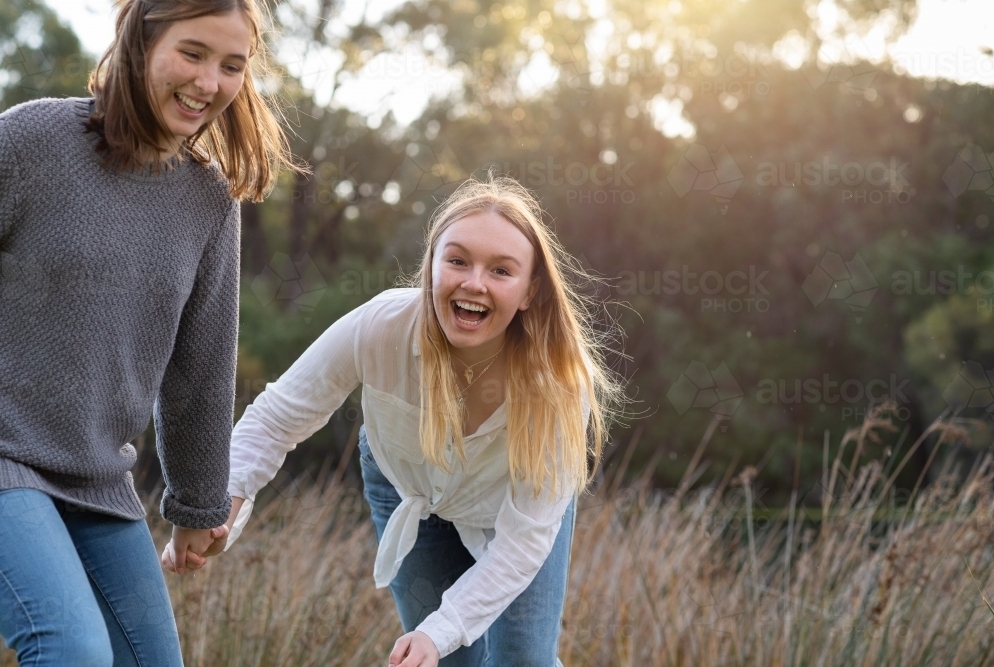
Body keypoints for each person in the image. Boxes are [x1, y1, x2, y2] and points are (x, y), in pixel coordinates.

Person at [172, 175, 623, 666]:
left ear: (530, 291)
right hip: (409, 489)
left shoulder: (557, 384)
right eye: (456, 260)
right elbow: (275, 419)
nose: (473, 282)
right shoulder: (380, 326)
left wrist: (442, 628)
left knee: (523, 661)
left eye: (500, 270)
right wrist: (219, 505)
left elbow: (524, 542)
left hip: (513, 520)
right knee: (446, 661)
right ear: (431, 266)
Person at [0, 0, 296, 665]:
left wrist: (197, 506)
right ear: (140, 43)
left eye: (231, 66)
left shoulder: (209, 202)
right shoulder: (31, 140)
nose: (209, 83)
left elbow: (201, 370)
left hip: (99, 476)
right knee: (72, 649)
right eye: (192, 54)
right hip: (4, 454)